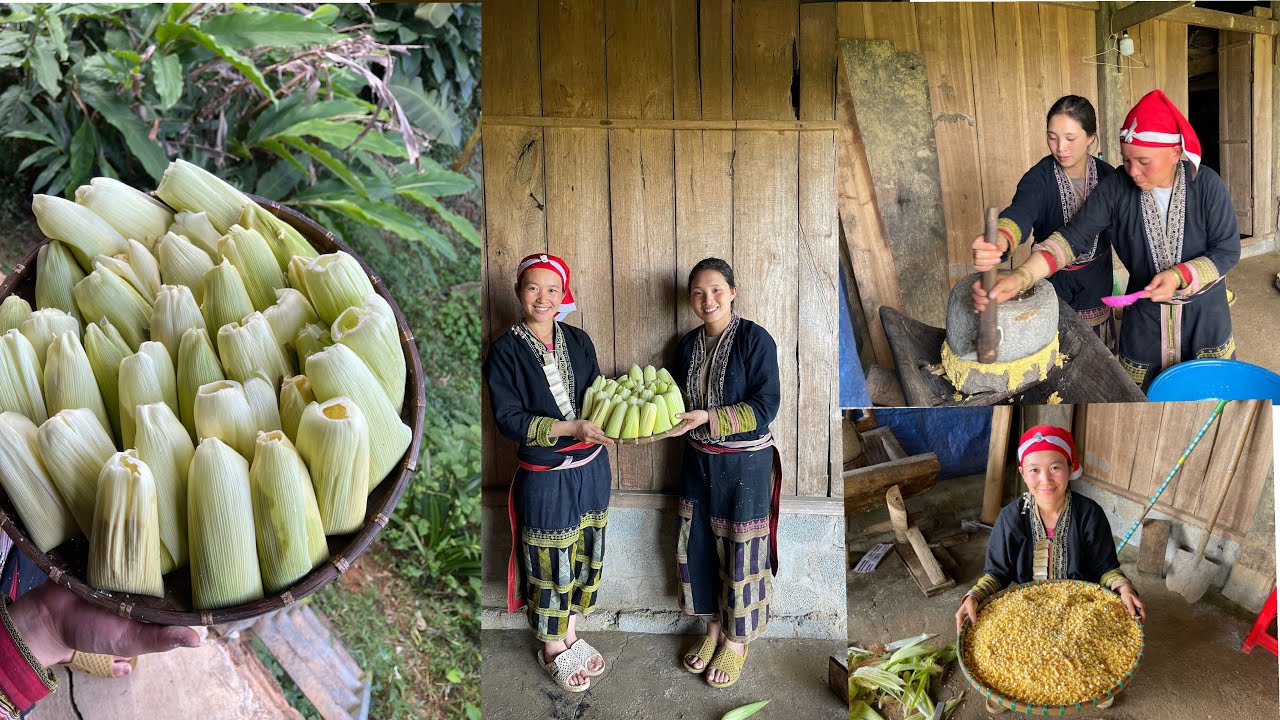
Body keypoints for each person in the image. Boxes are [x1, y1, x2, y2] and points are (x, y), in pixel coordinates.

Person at [974, 89, 1240, 392]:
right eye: (1127, 161)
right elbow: (1072, 238)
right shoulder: (1116, 186)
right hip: (1146, 316)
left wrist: (1182, 274)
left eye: (1144, 161)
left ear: (1175, 153)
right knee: (1138, 397)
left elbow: (1227, 249)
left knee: (1207, 397)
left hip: (1205, 315)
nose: (1133, 172)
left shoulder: (1206, 185)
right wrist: (1022, 276)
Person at [483, 253, 613, 693]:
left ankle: (571, 629)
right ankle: (552, 645)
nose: (543, 297)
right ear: (520, 293)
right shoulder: (505, 350)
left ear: (564, 295)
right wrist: (570, 427)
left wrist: (622, 419)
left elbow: (597, 393)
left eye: (552, 289)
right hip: (545, 473)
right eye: (533, 288)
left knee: (585, 548)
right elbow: (509, 419)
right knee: (550, 556)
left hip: (592, 467)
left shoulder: (578, 340)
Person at [669, 258, 781, 689]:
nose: (707, 299)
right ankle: (713, 629)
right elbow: (675, 399)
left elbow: (765, 405)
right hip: (698, 460)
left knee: (740, 549)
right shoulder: (686, 346)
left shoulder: (755, 340)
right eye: (698, 292)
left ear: (733, 291)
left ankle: (737, 641)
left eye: (716, 289)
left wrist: (710, 417)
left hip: (745, 463)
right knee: (699, 544)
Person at [954, 424, 1145, 637]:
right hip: (1027, 609)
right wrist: (974, 595)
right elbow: (998, 573)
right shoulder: (1010, 517)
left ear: (1071, 468)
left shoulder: (1089, 514)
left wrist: (1124, 587)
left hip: (1081, 611)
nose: (1045, 480)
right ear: (1022, 473)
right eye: (1034, 470)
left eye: (1055, 467)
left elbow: (1105, 568)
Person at [983, 95, 1119, 351]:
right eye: (1052, 137)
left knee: (1095, 352)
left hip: (1096, 278)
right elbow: (1021, 211)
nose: (1060, 148)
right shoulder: (1039, 178)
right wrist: (1000, 238)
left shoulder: (1108, 177)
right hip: (1051, 279)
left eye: (1070, 138)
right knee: (1054, 350)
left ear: (1091, 137)